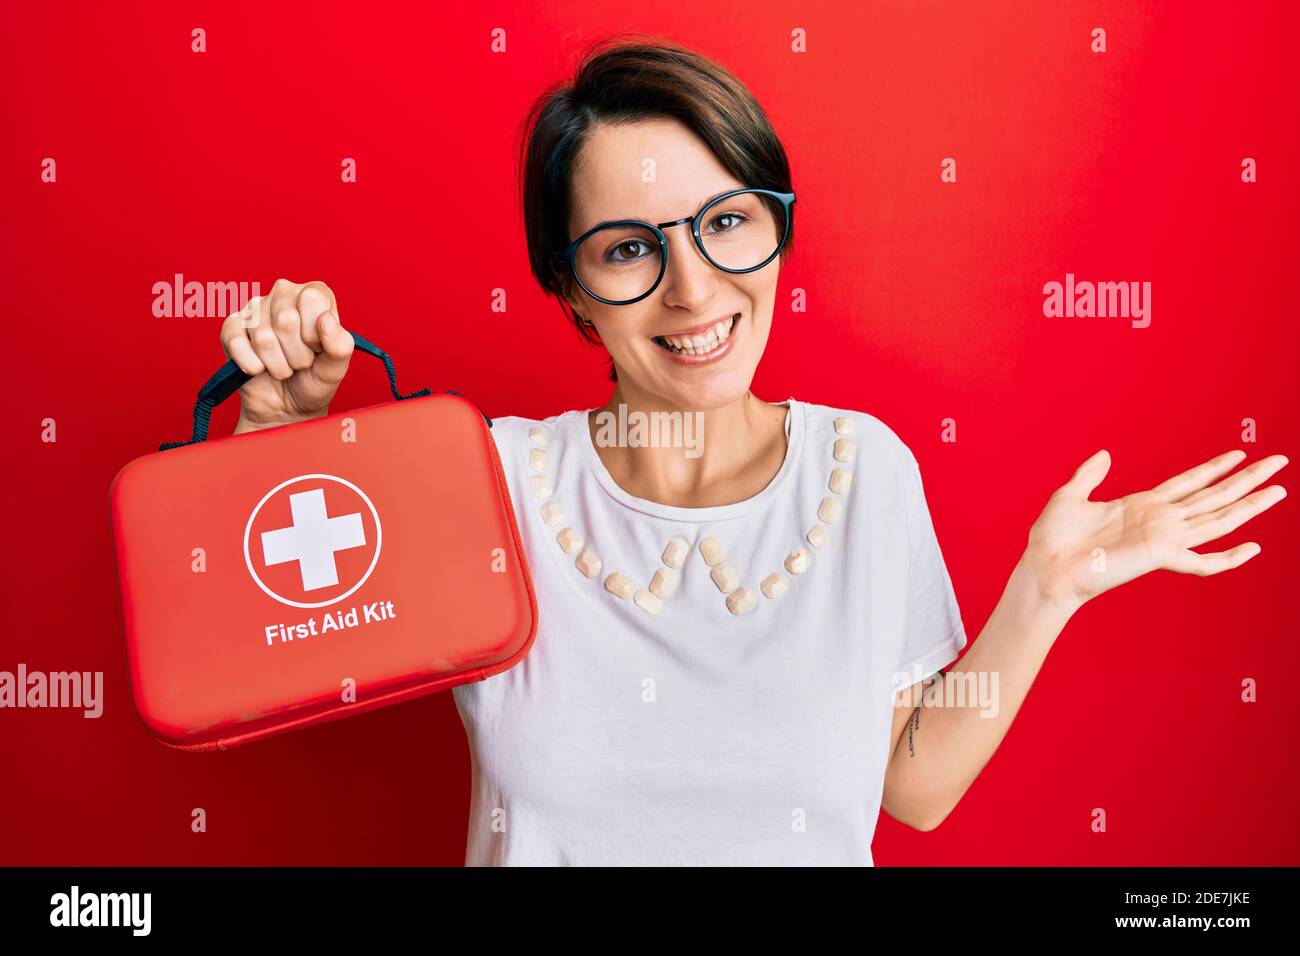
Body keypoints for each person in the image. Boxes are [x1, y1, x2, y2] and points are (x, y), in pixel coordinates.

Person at [218, 36, 1288, 866]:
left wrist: (1044, 589)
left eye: (726, 222)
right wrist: (276, 432)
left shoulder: (864, 471)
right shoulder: (486, 479)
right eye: (630, 247)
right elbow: (266, 656)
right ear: (571, 294)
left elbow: (909, 786)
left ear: (775, 223)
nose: (694, 291)